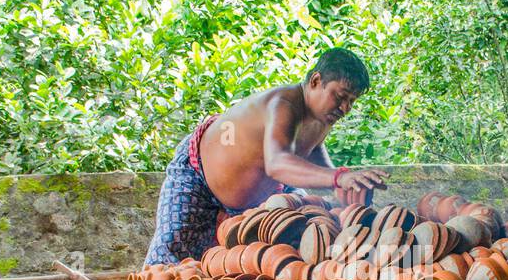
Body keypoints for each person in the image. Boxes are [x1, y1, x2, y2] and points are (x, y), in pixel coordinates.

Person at [145, 48, 388, 266]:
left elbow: (312, 151)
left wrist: (347, 184)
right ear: (315, 81)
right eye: (341, 96)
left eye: (351, 101)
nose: (345, 108)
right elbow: (278, 163)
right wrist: (338, 178)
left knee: (288, 248)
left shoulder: (324, 115)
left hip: (259, 197)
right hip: (197, 178)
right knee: (168, 261)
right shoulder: (284, 104)